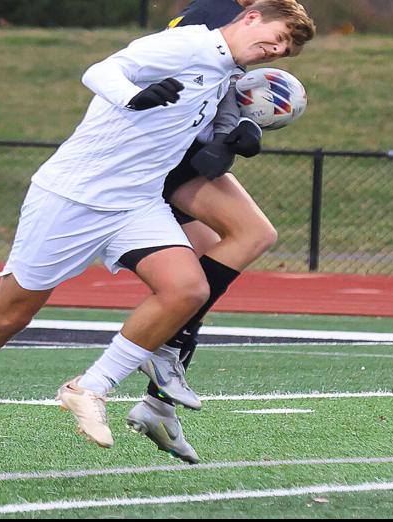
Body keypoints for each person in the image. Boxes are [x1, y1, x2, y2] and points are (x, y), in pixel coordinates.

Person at [0, 0, 316, 484]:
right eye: (276, 37)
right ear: (251, 16)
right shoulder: (188, 44)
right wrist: (133, 97)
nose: (275, 50)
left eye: (284, 51)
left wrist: (235, 136)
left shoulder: (227, 72)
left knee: (187, 290)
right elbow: (102, 70)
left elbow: (201, 144)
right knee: (9, 316)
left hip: (137, 203)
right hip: (72, 198)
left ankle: (90, 388)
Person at [125, 0, 296, 462]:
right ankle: (163, 347)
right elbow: (183, 76)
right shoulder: (216, 11)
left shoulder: (246, 20)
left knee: (201, 273)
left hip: (174, 142)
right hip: (160, 145)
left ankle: (158, 404)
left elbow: (219, 83)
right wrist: (227, 129)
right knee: (253, 235)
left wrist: (235, 125)